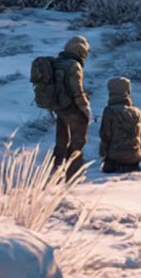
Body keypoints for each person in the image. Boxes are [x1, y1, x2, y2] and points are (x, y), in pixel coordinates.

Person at [52, 35, 91, 180]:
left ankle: (53, 170)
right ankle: (73, 175)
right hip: (72, 109)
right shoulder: (74, 66)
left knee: (61, 140)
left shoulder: (57, 63)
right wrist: (85, 107)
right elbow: (77, 90)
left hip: (59, 108)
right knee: (78, 140)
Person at [99, 77, 141, 173]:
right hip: (135, 158)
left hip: (115, 159)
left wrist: (103, 154)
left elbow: (105, 136)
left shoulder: (109, 111)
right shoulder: (137, 112)